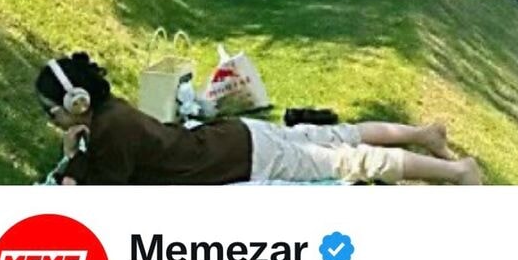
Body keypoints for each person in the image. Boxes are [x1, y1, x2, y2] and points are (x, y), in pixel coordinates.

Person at [36, 53, 482, 185]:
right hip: (235, 138)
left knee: (349, 161)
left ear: (75, 103)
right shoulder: (113, 114)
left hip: (242, 157)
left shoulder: (110, 130)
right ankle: (424, 134)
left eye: (50, 109)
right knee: (336, 135)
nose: (51, 117)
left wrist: (72, 160)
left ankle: (457, 171)